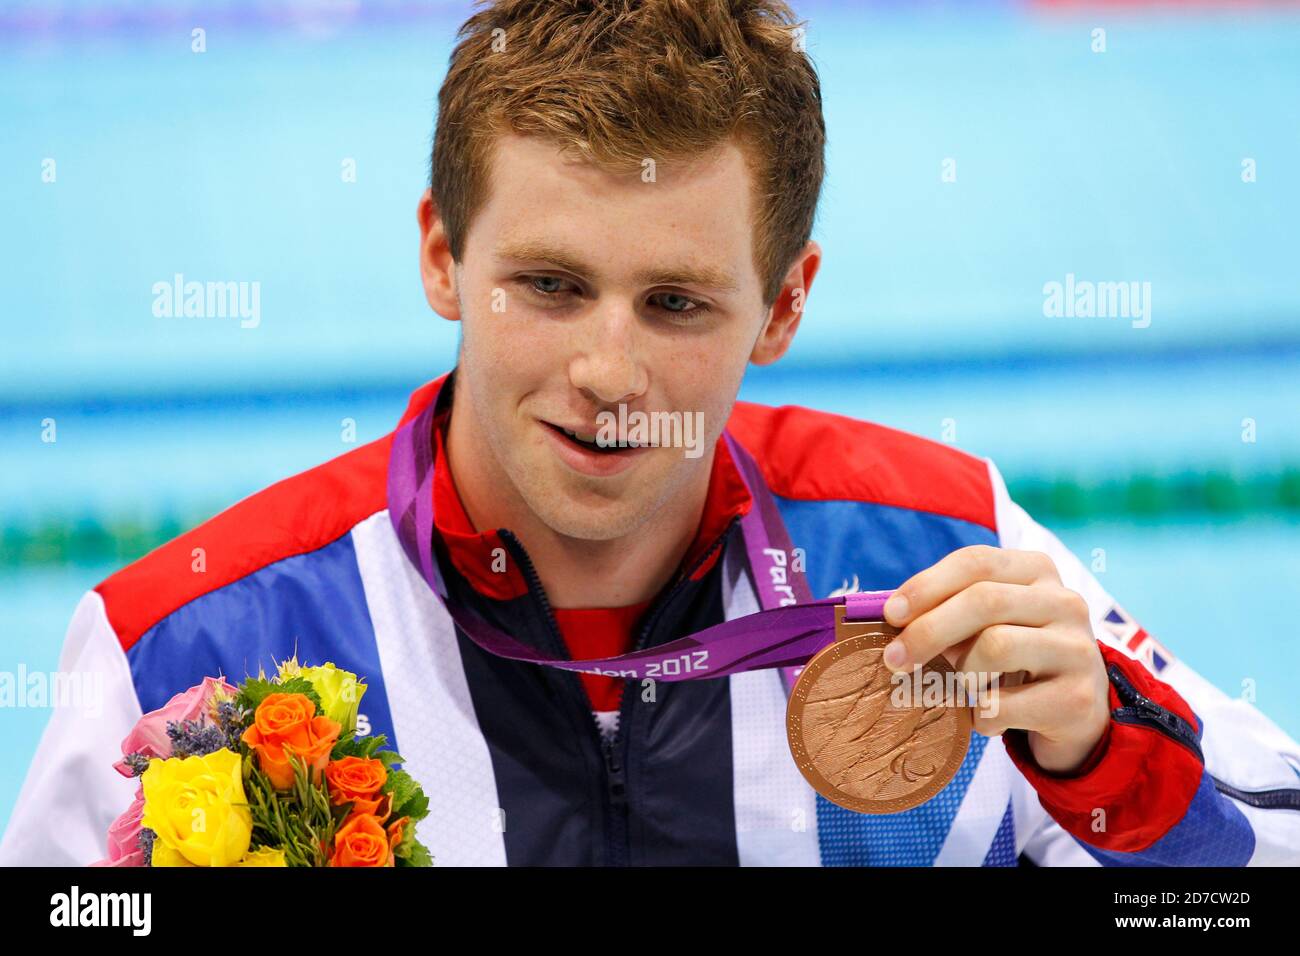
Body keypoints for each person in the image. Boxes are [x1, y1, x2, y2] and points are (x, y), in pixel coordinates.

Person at [3, 0, 1298, 867]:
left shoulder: (943, 555)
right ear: (443, 258)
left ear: (785, 305)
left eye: (676, 302)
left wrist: (1105, 760)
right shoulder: (181, 645)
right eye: (551, 286)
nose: (607, 372)